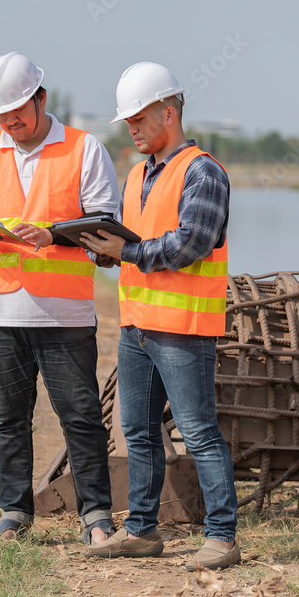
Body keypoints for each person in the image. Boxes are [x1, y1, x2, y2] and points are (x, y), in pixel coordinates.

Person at [0, 51, 119, 544]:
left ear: (42, 98)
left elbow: (104, 227)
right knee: (8, 420)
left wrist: (52, 237)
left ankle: (97, 517)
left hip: (64, 312)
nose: (11, 122)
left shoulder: (85, 149)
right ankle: (14, 514)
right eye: (2, 115)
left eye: (19, 110)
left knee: (82, 416)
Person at [80, 62, 239, 570]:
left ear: (168, 113)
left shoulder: (203, 171)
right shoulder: (135, 174)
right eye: (127, 119)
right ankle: (142, 531)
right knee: (141, 433)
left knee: (199, 433)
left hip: (185, 332)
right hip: (137, 328)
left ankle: (222, 538)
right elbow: (140, 241)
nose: (130, 128)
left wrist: (124, 252)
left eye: (139, 118)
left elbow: (190, 244)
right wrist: (106, 250)